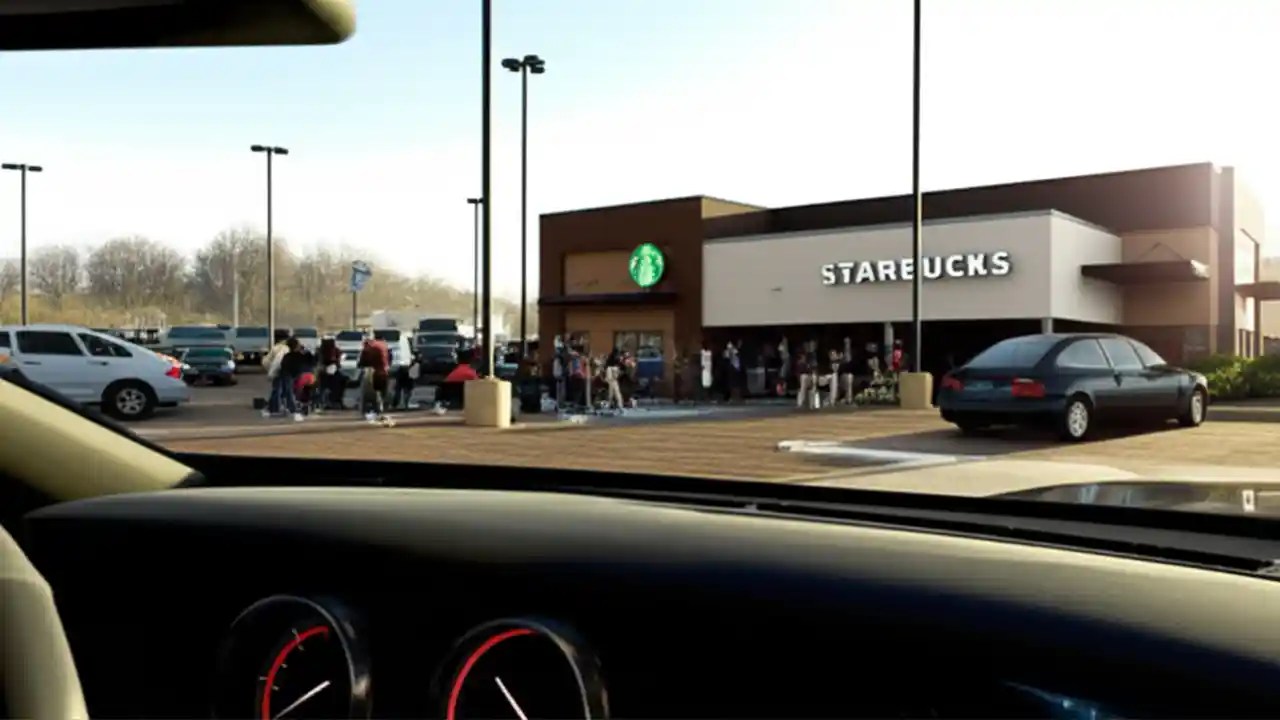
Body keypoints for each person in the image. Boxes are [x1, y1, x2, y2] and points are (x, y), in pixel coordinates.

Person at [357, 337, 391, 424]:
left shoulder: (368, 349)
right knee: (382, 392)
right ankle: (382, 408)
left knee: (368, 393)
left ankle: (368, 410)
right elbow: (389, 358)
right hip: (384, 371)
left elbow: (362, 362)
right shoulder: (383, 346)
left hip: (372, 372)